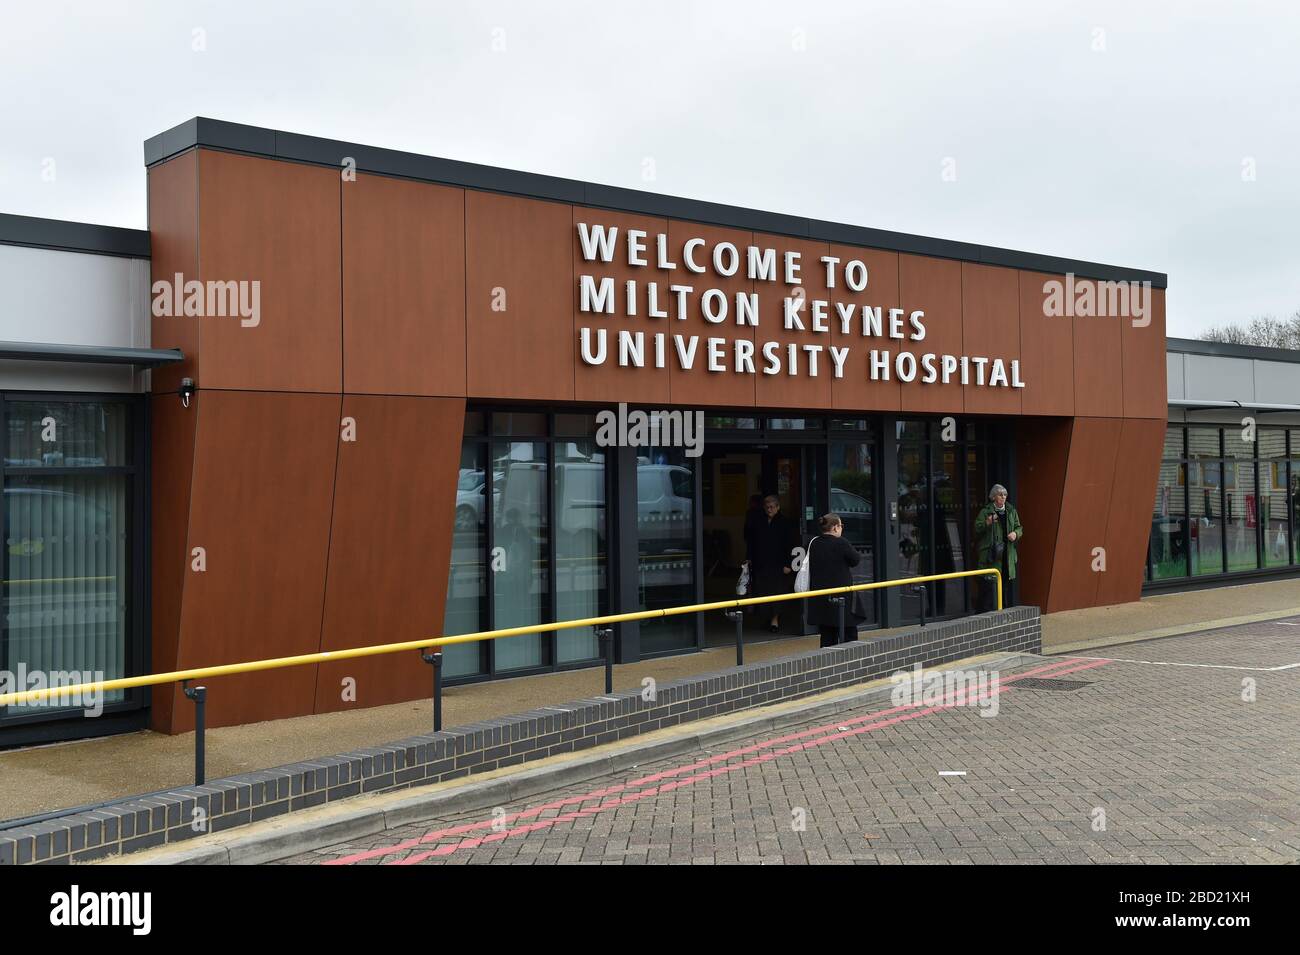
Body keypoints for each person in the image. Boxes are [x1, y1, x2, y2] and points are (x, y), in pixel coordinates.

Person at [805, 513, 867, 648]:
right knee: (849, 633)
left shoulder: (814, 543)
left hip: (822, 596)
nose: (841, 529)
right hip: (842, 596)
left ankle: (828, 663)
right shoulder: (841, 543)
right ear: (834, 528)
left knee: (827, 634)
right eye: (841, 526)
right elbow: (855, 560)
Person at [746, 494, 796, 632]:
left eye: (772, 507)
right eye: (767, 507)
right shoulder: (758, 522)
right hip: (761, 564)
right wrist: (749, 558)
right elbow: (752, 542)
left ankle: (775, 620)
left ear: (778, 507)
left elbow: (791, 545)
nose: (769, 509)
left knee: (778, 592)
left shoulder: (785, 523)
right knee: (763, 592)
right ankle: (767, 618)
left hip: (779, 566)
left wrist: (788, 564)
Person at [973, 484, 1022, 611]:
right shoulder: (986, 511)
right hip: (992, 556)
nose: (1003, 497)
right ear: (994, 497)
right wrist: (987, 523)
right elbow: (976, 529)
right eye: (1000, 495)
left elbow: (1019, 527)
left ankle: (1003, 613)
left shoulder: (1011, 510)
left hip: (1007, 555)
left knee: (1004, 586)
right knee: (989, 589)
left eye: (1005, 495)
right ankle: (986, 614)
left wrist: (1015, 534)